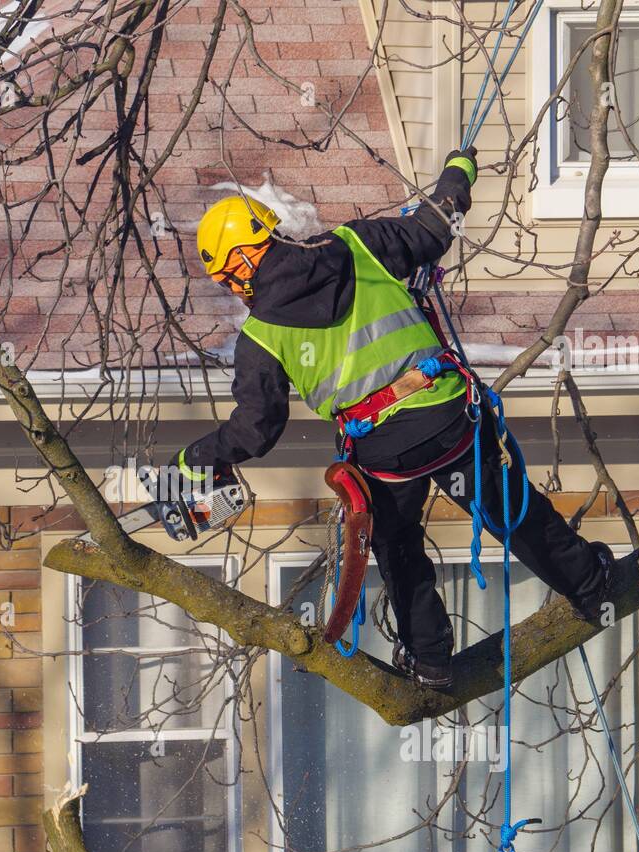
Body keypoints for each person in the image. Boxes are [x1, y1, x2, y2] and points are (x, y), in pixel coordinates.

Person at [171, 149, 613, 689]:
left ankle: (429, 659)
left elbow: (257, 429)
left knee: (399, 547)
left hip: (382, 453)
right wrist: (460, 172)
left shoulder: (260, 338)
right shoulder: (357, 245)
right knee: (509, 508)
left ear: (237, 262)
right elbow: (434, 227)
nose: (232, 289)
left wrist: (198, 457)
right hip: (448, 418)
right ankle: (592, 585)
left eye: (226, 278)